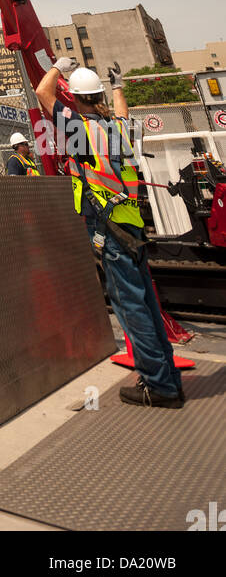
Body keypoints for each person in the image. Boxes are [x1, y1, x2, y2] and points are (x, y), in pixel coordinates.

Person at [36, 56, 183, 408]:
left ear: (76, 99)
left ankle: (159, 386)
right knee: (146, 305)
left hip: (110, 232)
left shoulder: (79, 130)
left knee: (132, 310)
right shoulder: (119, 131)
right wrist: (118, 85)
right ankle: (168, 378)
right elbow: (120, 112)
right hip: (133, 227)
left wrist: (58, 66)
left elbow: (43, 91)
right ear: (99, 94)